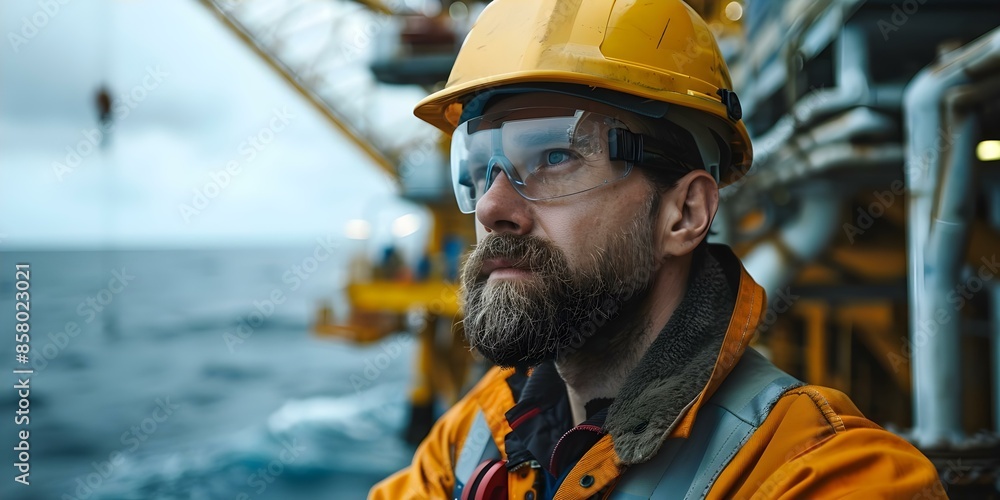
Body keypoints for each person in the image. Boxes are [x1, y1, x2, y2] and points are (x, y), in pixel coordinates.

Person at [370, 0, 945, 498]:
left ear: (685, 212)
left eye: (554, 157)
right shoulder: (475, 436)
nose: (494, 207)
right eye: (477, 169)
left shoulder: (817, 474)